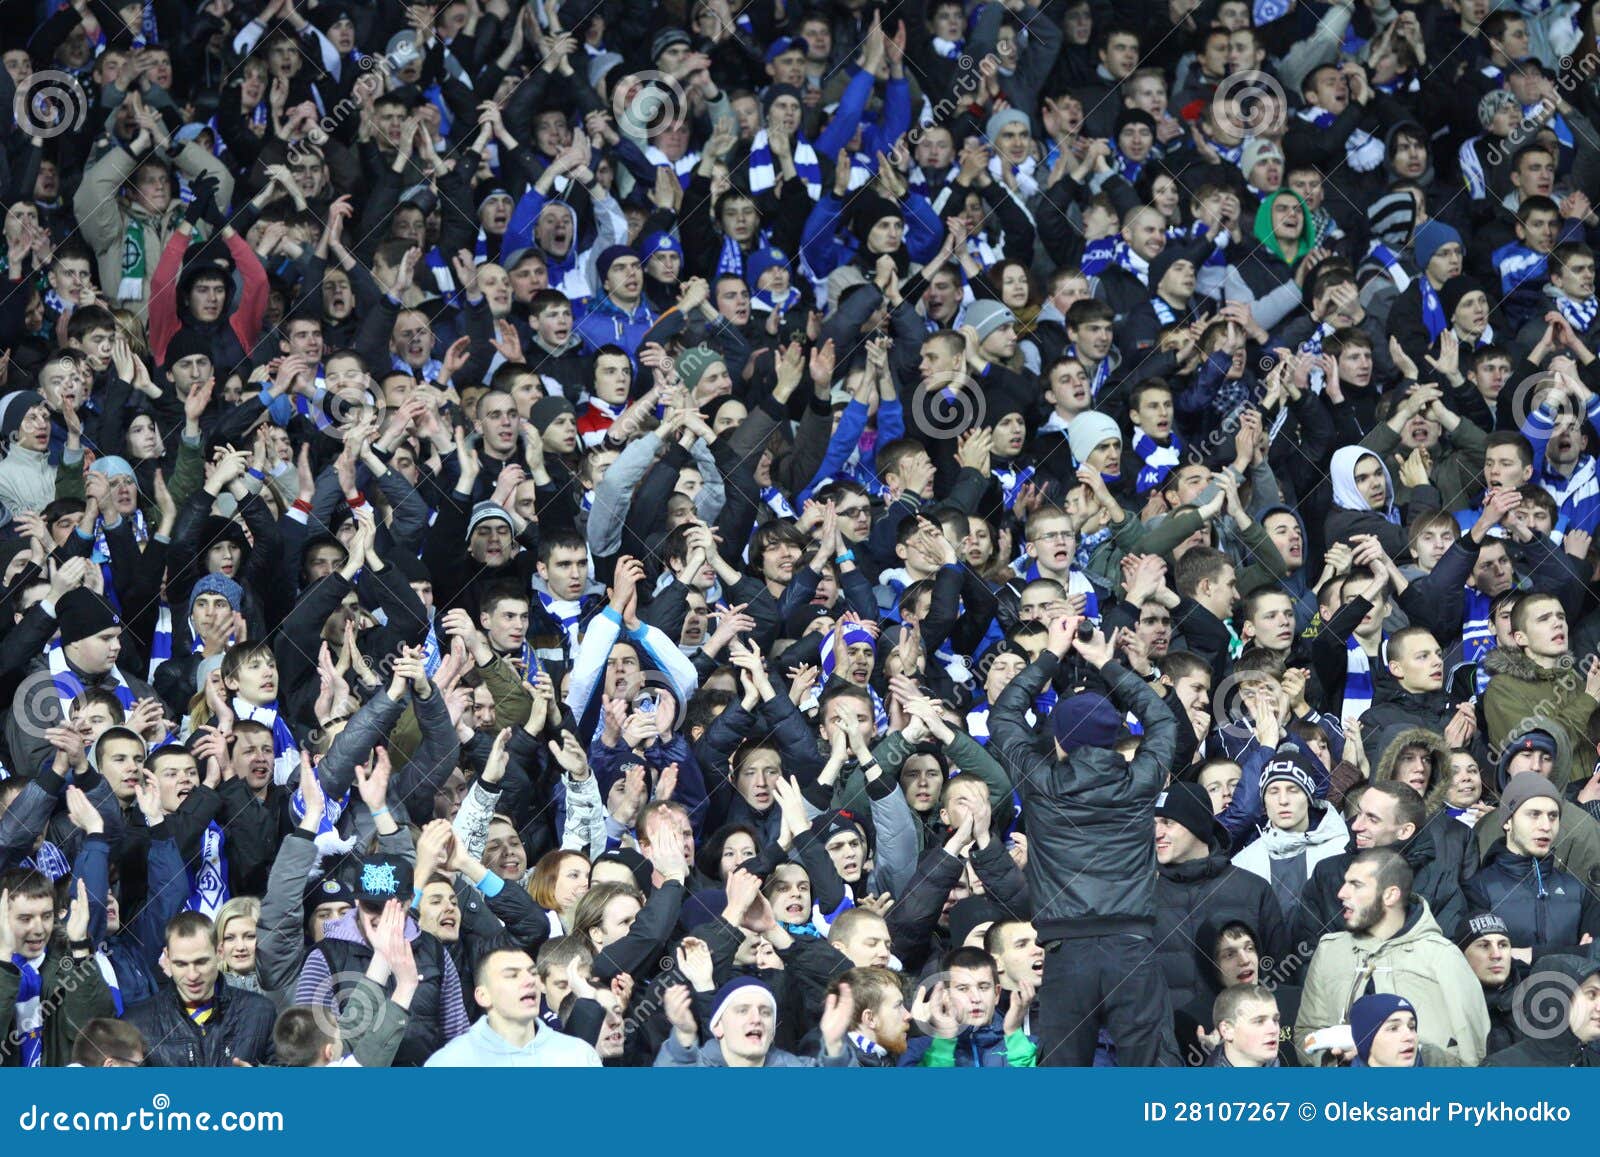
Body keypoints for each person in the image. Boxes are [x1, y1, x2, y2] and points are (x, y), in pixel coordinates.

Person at [988, 614, 1180, 1066]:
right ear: (1114, 737)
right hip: (1132, 947)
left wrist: (1051, 655)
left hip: (1066, 954)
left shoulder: (1042, 783)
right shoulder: (1140, 780)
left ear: (1059, 738)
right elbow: (1162, 720)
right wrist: (1107, 663)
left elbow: (1004, 716)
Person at [1296, 848, 1490, 1066]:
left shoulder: (1443, 956)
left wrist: (1418, 1056)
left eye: (1356, 885)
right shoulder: (1329, 951)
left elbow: (1474, 1055)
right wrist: (1333, 1058)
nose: (1341, 893)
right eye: (1345, 882)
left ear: (1390, 895)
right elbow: (1306, 1033)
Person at [425, 939, 601, 1067]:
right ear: (483, 996)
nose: (529, 981)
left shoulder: (579, 1055)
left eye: (532, 973)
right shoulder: (449, 1063)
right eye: (512, 975)